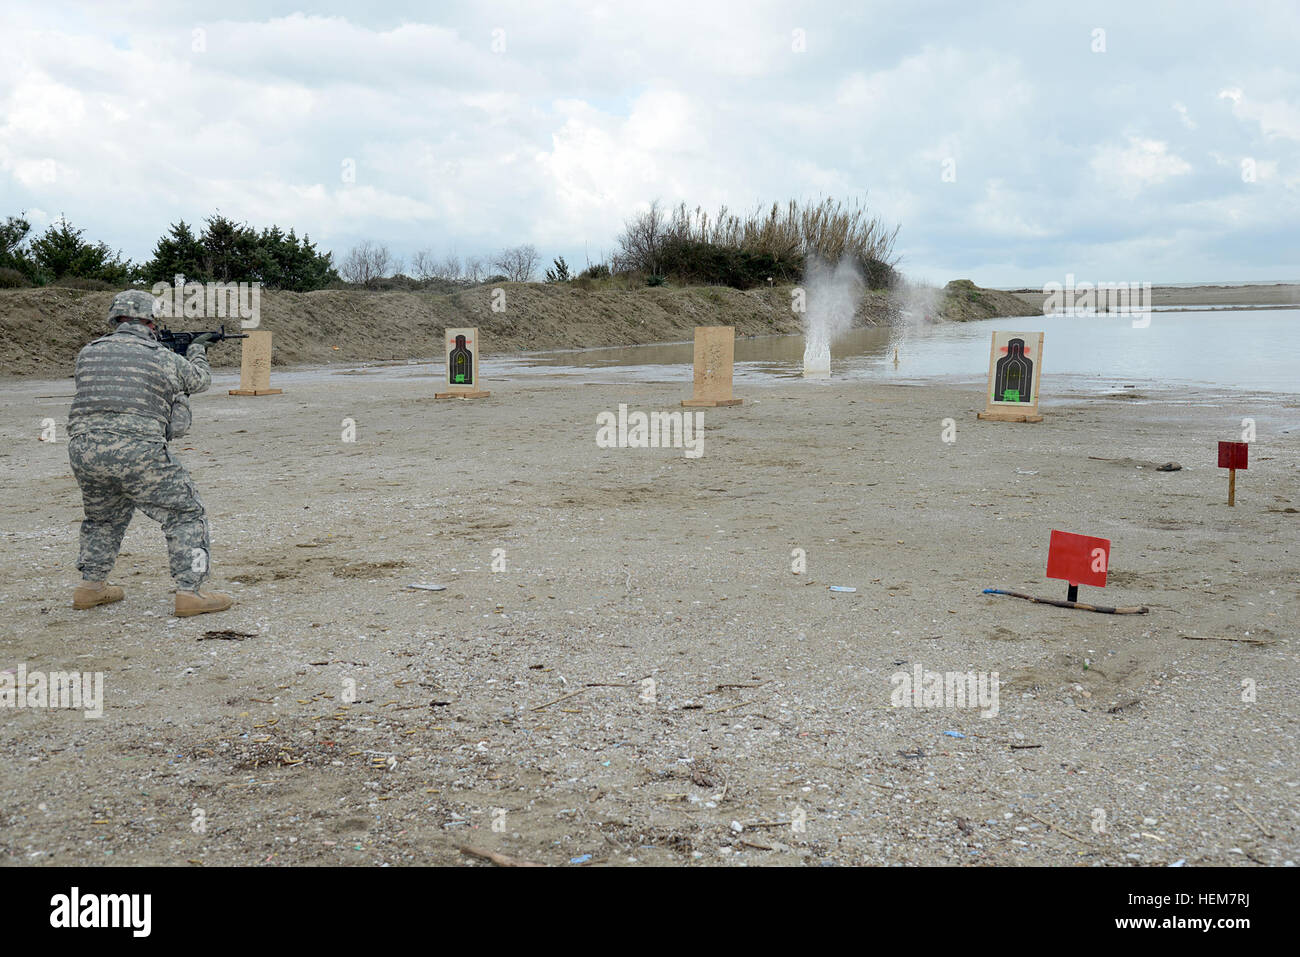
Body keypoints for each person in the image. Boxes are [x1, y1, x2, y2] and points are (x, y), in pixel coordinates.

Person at [67, 289, 233, 617]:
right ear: (151, 320)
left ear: (115, 319)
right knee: (185, 514)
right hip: (137, 449)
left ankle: (90, 586)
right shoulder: (161, 356)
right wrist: (197, 350)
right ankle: (190, 591)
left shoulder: (88, 352)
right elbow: (200, 381)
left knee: (103, 517)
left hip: (84, 449)